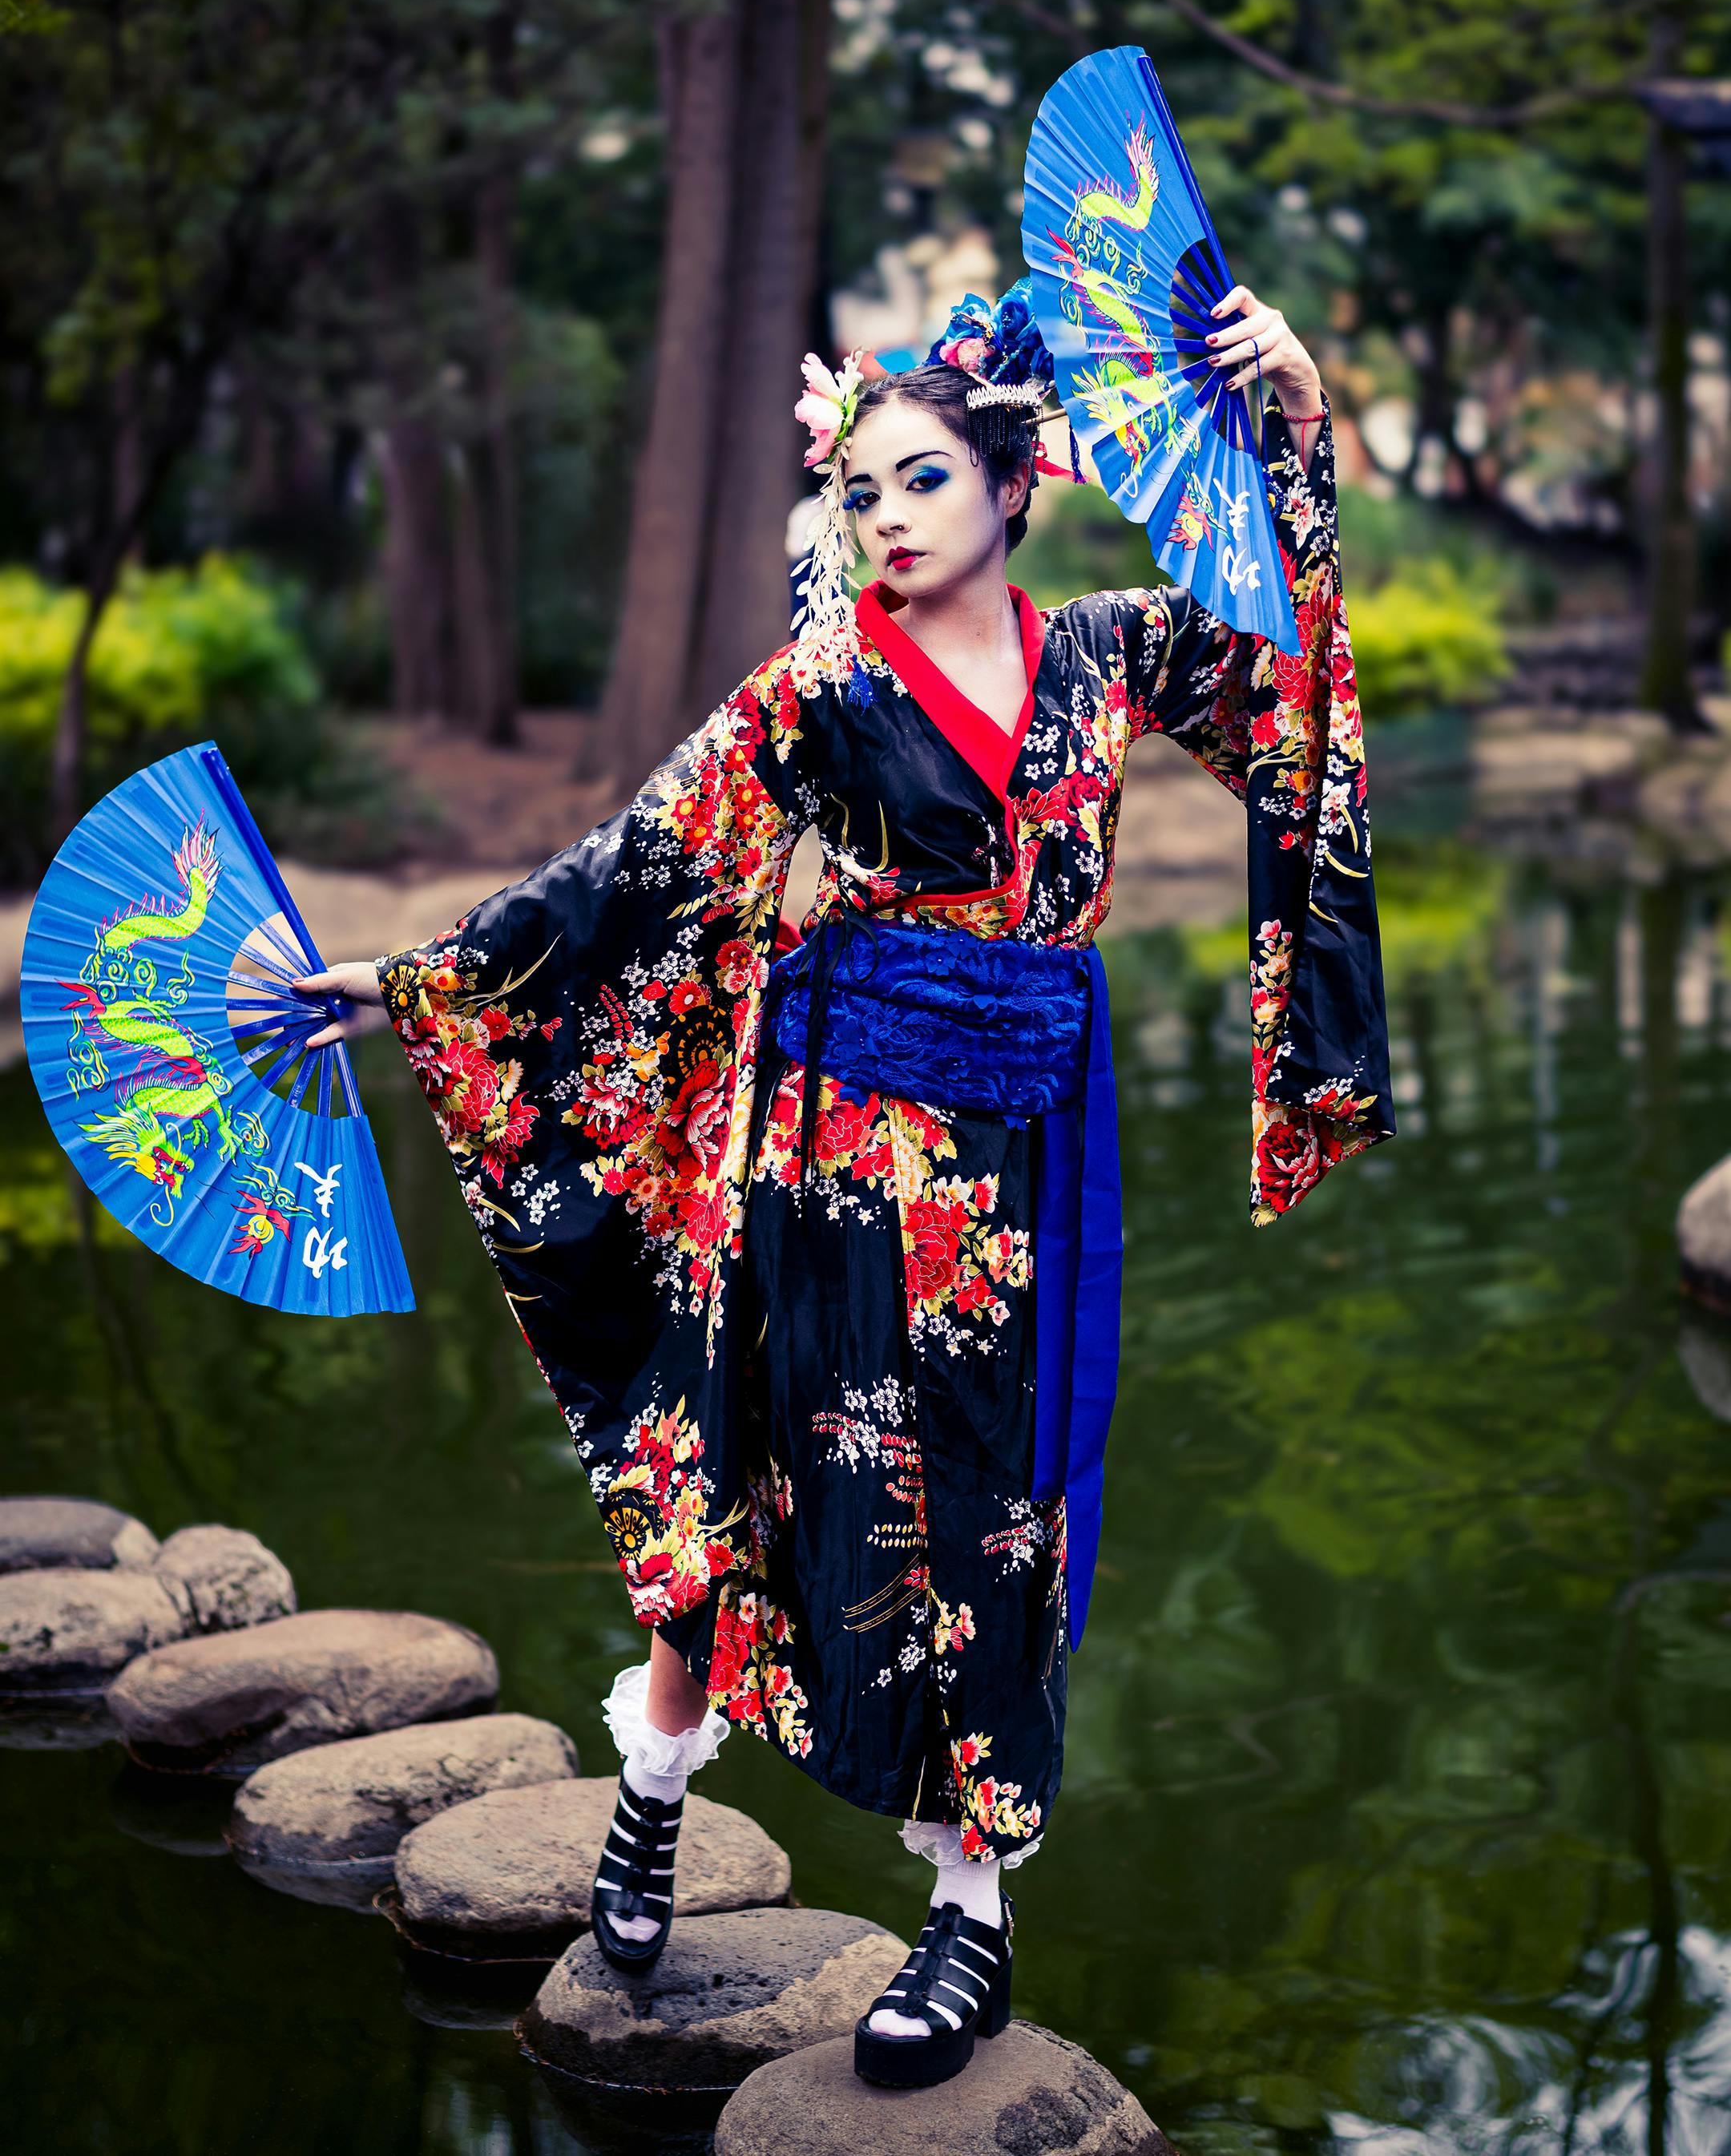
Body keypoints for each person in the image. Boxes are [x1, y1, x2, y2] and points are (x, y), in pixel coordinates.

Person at [297, 277, 1392, 2090]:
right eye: (863, 490)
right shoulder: (817, 690)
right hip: (824, 1162)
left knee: (1007, 1514)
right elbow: (630, 871)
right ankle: (651, 1795)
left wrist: (1291, 425)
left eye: (920, 484)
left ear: (1014, 490)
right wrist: (421, 981)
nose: (884, 518)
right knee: (747, 1471)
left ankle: (968, 1909)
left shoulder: (1115, 657)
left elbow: (1294, 694)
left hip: (1029, 1165)